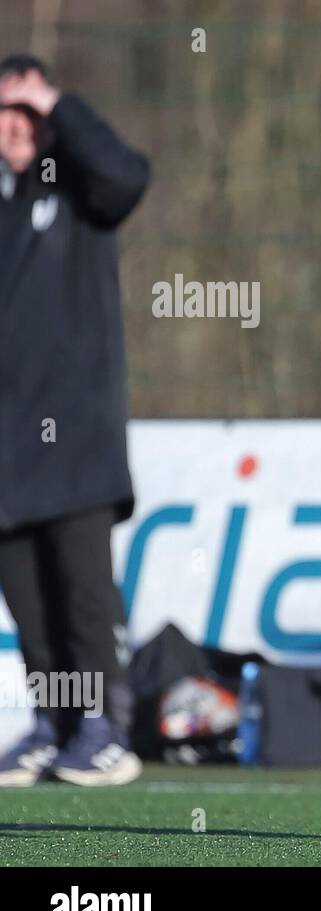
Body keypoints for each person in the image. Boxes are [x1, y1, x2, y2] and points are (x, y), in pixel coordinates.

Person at [0, 54, 150, 786]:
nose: (15, 125)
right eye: (4, 111)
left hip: (78, 437)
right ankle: (51, 723)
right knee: (26, 597)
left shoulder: (83, 191)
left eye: (27, 110)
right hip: (6, 442)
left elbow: (127, 175)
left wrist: (56, 100)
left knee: (83, 590)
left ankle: (103, 728)